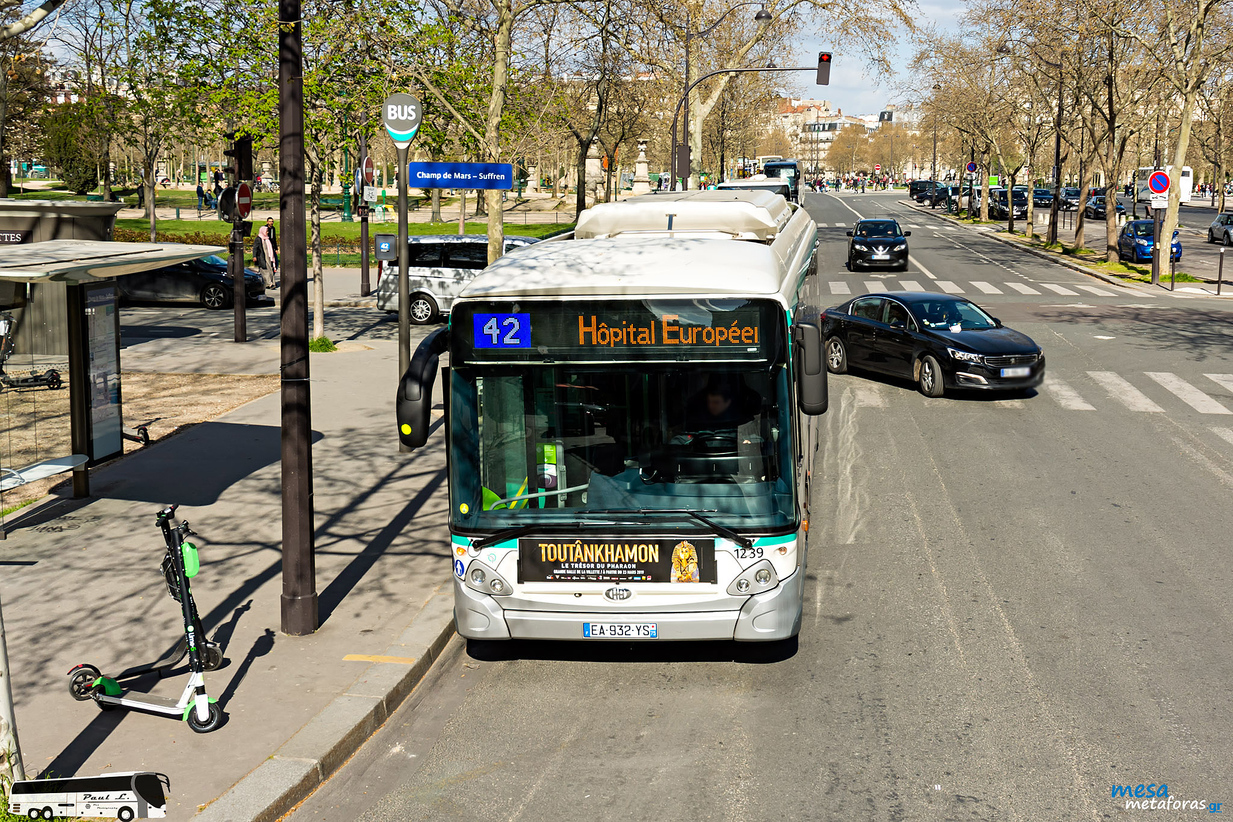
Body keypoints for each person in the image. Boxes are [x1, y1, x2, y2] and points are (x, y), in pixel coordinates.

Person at [255, 218, 278, 288]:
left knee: (271, 268)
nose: (271, 223)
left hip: (270, 254)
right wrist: (255, 256)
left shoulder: (268, 237)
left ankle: (271, 282)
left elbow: (274, 239)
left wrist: (275, 248)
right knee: (265, 270)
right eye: (270, 221)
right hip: (263, 256)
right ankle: (269, 283)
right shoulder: (260, 239)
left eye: (272, 221)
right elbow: (255, 248)